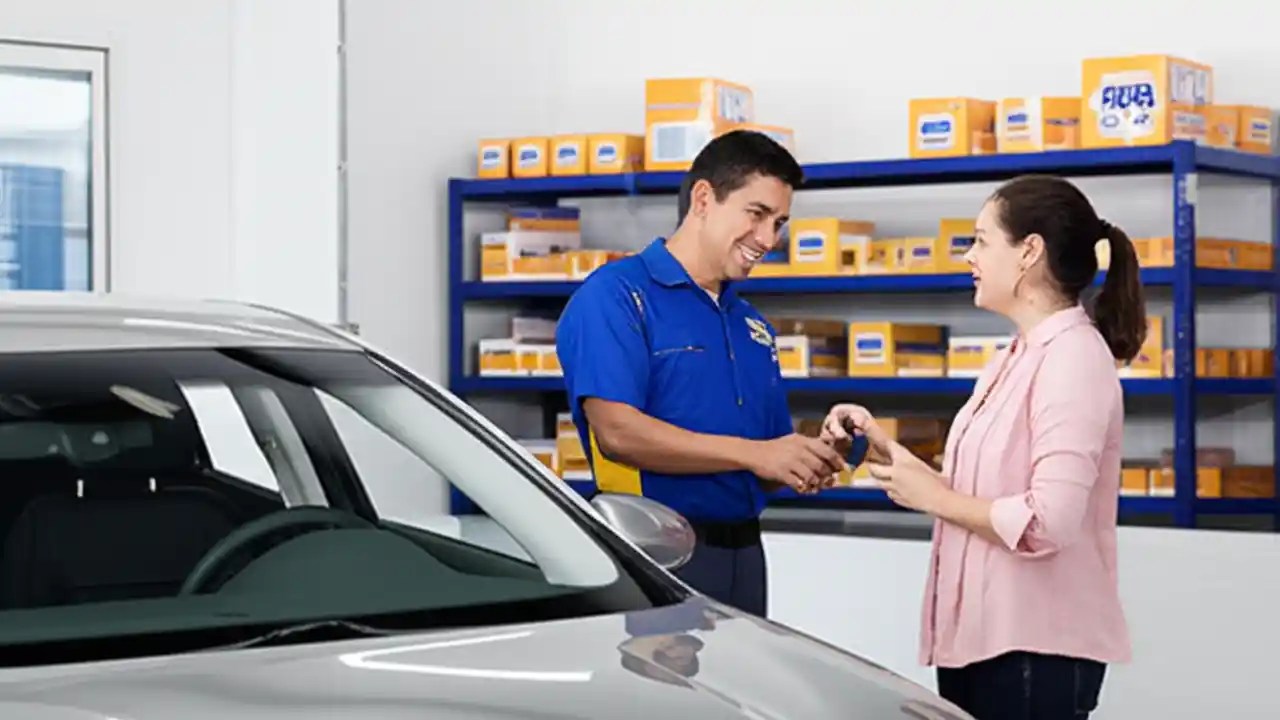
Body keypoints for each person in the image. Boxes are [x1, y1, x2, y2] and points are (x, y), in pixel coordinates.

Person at [821, 174, 1143, 719]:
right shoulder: (1014, 358)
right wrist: (884, 451)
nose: (969, 256)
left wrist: (934, 498)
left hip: (1035, 651)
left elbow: (1049, 520)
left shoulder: (1073, 359)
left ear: (1029, 252)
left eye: (981, 241)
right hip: (982, 643)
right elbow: (976, 494)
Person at [555, 130, 845, 617]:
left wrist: (809, 457)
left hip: (744, 555)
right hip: (654, 552)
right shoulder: (617, 296)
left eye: (779, 223)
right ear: (704, 199)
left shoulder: (751, 324)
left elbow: (763, 462)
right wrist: (757, 454)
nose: (768, 240)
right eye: (756, 214)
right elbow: (618, 433)